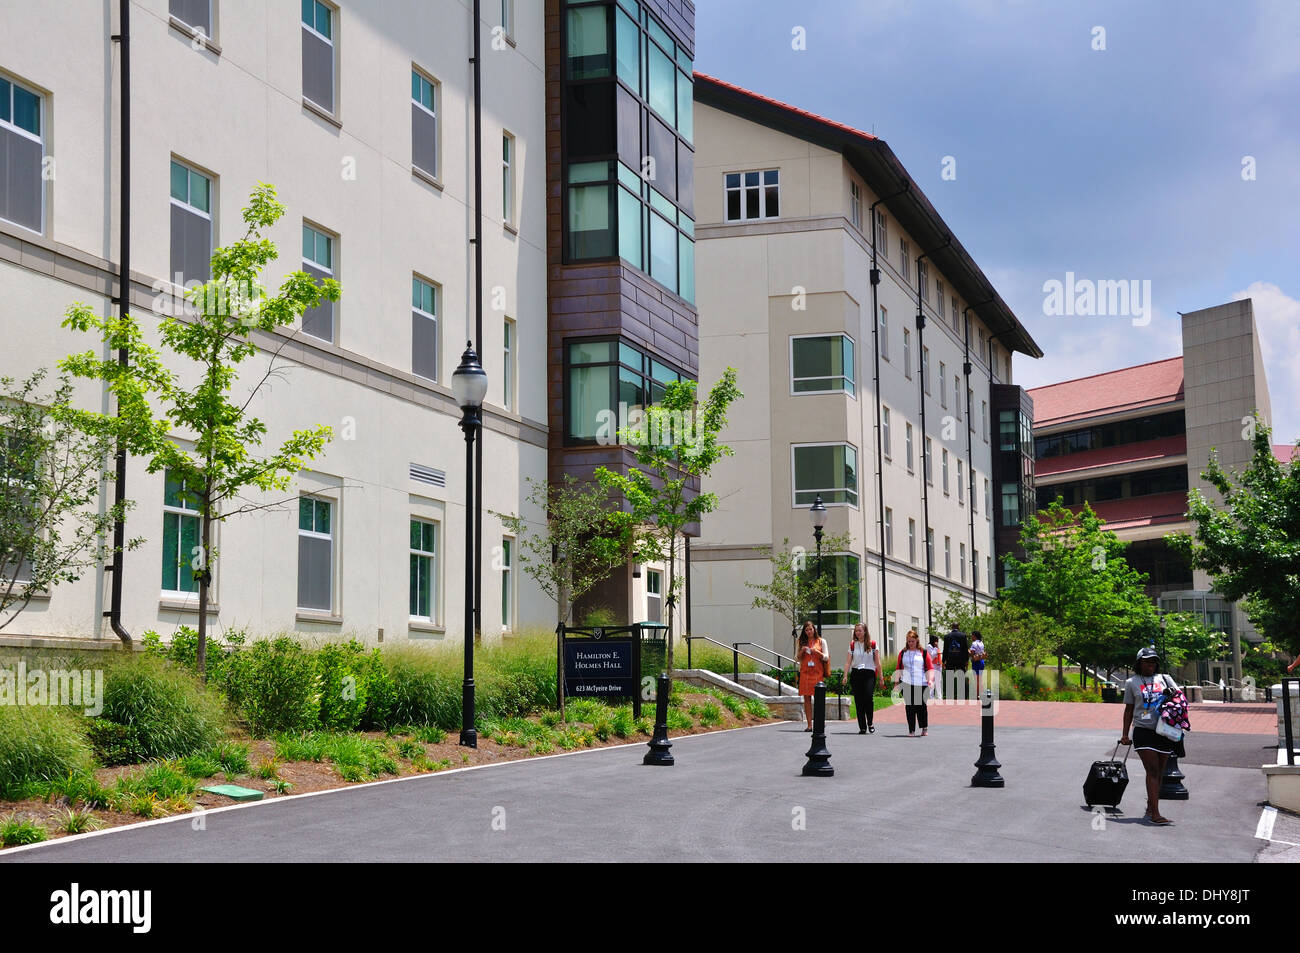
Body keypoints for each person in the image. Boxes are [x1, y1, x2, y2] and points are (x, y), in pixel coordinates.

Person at [1120, 646, 1180, 826]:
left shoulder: (1165, 679)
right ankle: (1155, 813)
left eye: (1153, 661)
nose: (1151, 665)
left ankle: (1150, 806)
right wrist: (1124, 734)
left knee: (1160, 772)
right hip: (1142, 731)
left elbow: (1179, 700)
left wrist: (1171, 698)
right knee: (1152, 769)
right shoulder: (1131, 682)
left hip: (1164, 730)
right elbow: (1129, 709)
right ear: (1139, 663)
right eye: (1147, 662)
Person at [894, 628, 934, 736]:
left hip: (921, 682)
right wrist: (896, 683)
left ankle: (924, 727)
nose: (911, 643)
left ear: (917, 640)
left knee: (921, 706)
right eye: (909, 641)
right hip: (907, 682)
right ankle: (911, 730)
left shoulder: (923, 653)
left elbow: (930, 667)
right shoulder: (903, 653)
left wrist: (930, 680)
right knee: (910, 706)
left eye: (912, 641)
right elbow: (898, 668)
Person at [846, 623, 881, 734]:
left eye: (860, 630)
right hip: (856, 674)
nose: (858, 633)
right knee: (859, 701)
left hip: (869, 674)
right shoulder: (852, 645)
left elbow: (878, 662)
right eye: (856, 631)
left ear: (865, 631)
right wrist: (845, 675)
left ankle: (870, 722)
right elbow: (848, 662)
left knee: (868, 697)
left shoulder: (873, 644)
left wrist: (881, 677)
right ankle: (862, 726)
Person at [797, 620, 830, 732]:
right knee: (806, 698)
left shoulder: (821, 641)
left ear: (814, 629)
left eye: (810, 629)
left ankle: (820, 721)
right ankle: (809, 725)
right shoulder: (802, 641)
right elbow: (797, 658)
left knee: (818, 698)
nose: (809, 632)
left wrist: (818, 652)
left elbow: (826, 657)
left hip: (817, 672)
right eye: (806, 630)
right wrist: (802, 651)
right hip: (805, 672)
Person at [943, 622, 970, 700]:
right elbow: (965, 649)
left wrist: (943, 661)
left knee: (949, 678)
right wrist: (966, 660)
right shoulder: (963, 636)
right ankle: (962, 696)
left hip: (950, 660)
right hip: (960, 660)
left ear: (952, 627)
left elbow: (945, 649)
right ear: (958, 627)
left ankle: (950, 696)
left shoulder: (947, 636)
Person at [970, 630, 987, 697]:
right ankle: (981, 693)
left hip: (976, 662)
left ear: (974, 636)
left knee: (976, 679)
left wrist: (969, 652)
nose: (971, 637)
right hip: (982, 661)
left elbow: (972, 653)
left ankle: (978, 695)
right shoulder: (981, 643)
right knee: (980, 678)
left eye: (972, 635)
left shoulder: (974, 643)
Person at [926, 635, 943, 700]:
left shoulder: (936, 647)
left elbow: (938, 654)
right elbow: (932, 655)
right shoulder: (929, 647)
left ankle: (939, 697)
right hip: (932, 666)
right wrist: (936, 648)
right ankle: (931, 696)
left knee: (938, 681)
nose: (937, 643)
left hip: (938, 665)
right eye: (936, 641)